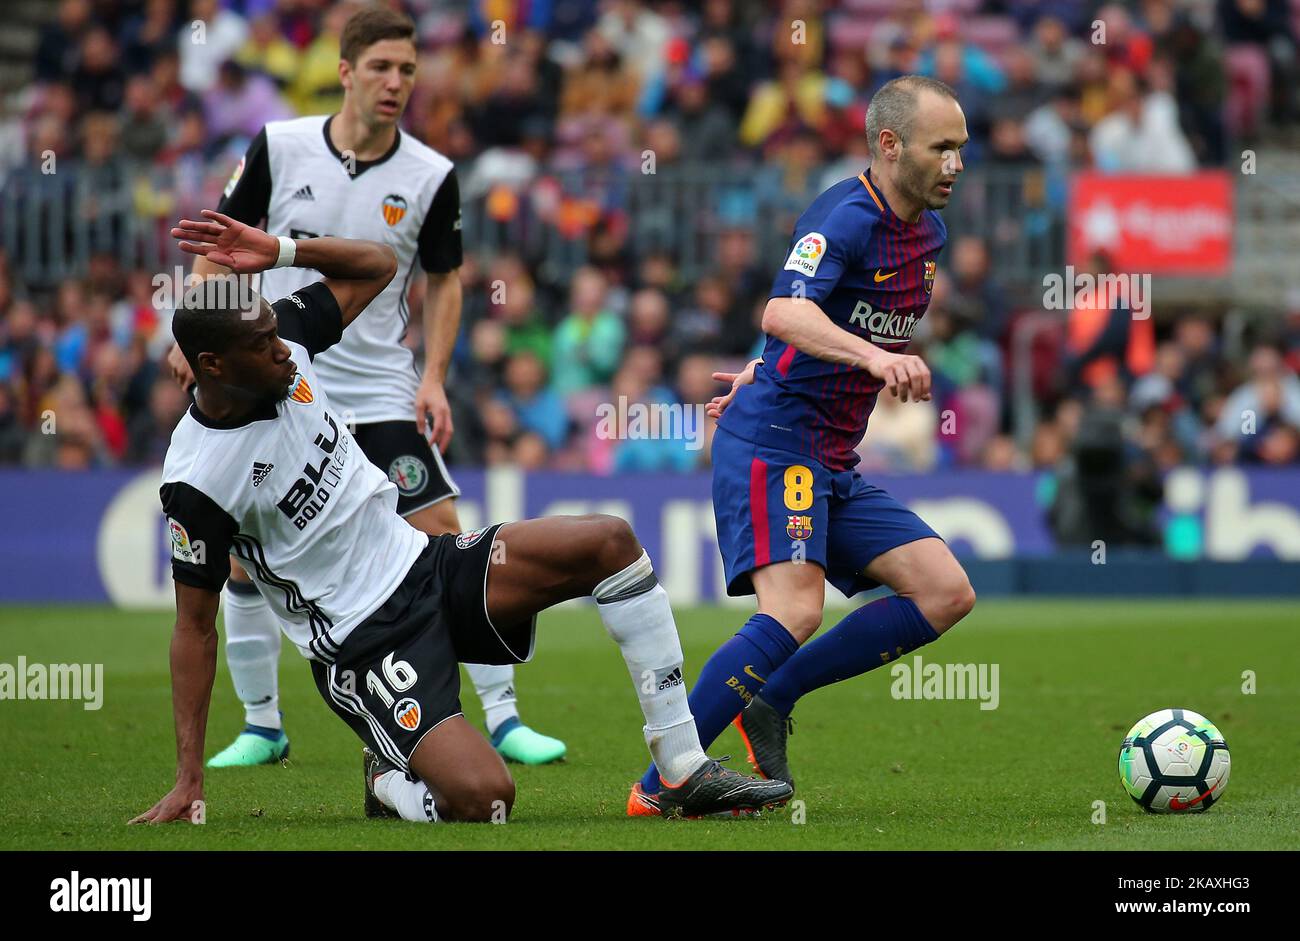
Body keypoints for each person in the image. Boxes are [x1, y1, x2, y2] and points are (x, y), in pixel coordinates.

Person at [132, 212, 792, 824]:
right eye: (261, 342)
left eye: (276, 332)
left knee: (609, 541)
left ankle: (680, 769)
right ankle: (387, 778)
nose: (281, 348)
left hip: (427, 564)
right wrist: (189, 775)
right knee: (486, 798)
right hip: (365, 640)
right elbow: (193, 627)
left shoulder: (288, 344)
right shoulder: (196, 480)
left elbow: (380, 264)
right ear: (212, 365)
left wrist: (280, 250)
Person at [166, 6, 565, 767]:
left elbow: (445, 282)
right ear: (345, 70)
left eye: (408, 70)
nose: (396, 83)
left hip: (380, 384)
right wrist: (194, 328)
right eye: (381, 67)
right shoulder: (279, 147)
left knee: (444, 531)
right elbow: (218, 243)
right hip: (283, 374)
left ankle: (504, 715)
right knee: (248, 557)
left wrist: (437, 378)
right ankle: (262, 724)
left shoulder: (431, 174)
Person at [626, 76, 978, 814]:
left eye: (961, 149)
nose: (955, 164)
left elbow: (813, 324)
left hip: (828, 455)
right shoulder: (846, 215)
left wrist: (766, 364)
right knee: (794, 610)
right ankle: (664, 782)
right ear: (889, 145)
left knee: (946, 592)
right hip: (775, 441)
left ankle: (774, 694)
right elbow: (784, 307)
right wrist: (873, 359)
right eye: (941, 147)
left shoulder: (931, 235)